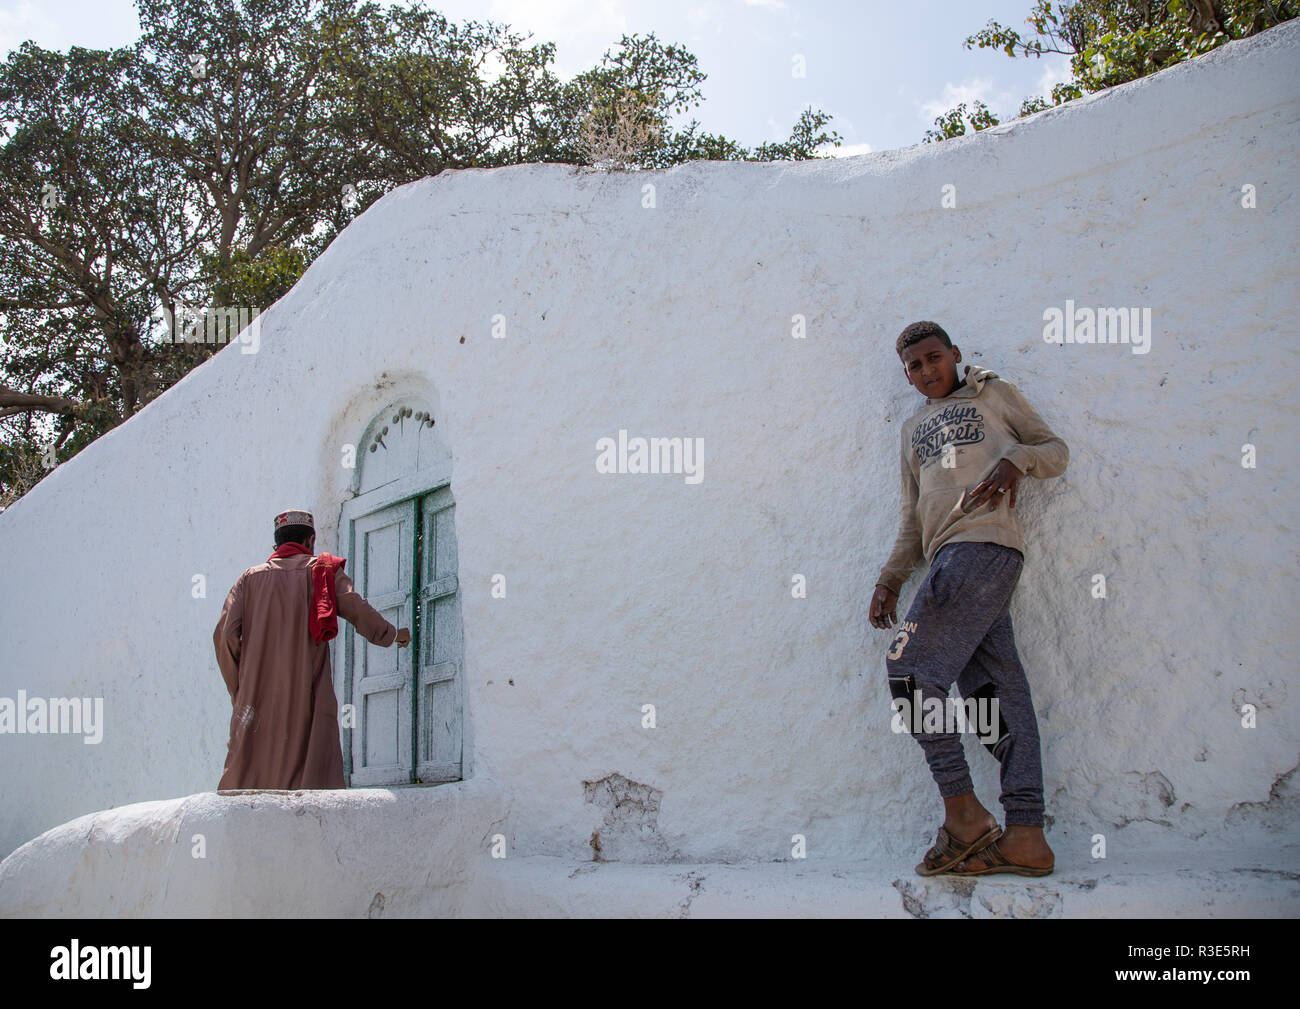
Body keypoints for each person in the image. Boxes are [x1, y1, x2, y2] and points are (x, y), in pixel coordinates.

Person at [869, 321, 1068, 877]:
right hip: (950, 561)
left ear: (954, 355)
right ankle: (1026, 836)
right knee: (994, 700)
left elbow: (1054, 450)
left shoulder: (992, 394)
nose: (926, 370)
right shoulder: (913, 430)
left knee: (908, 671)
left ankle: (963, 815)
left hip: (980, 546)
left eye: (934, 357)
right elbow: (912, 518)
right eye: (914, 365)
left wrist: (1017, 461)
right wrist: (890, 579)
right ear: (906, 375)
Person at [213, 509, 410, 790]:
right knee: (312, 780)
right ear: (310, 541)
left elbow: (225, 636)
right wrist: (392, 635)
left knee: (251, 777)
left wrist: (240, 688)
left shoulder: (248, 580)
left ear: (276, 547)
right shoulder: (322, 571)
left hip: (256, 697)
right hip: (309, 692)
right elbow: (355, 606)